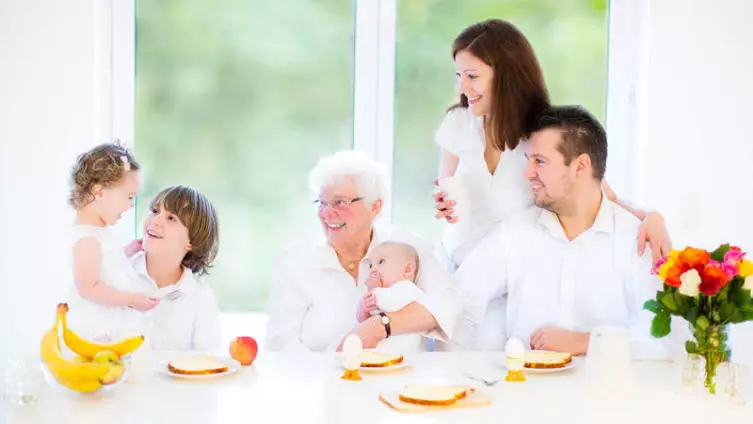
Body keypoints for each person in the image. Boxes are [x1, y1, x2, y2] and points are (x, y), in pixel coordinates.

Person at [432, 19, 671, 350]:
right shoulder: (458, 122)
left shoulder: (540, 136)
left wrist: (649, 216)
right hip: (460, 265)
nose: (462, 87)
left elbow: (596, 191)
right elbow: (444, 185)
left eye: (473, 76)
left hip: (510, 274)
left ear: (505, 75)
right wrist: (444, 200)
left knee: (493, 349)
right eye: (458, 76)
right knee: (446, 339)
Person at [454, 105, 670, 359]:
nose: (527, 174)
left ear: (580, 166)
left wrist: (585, 342)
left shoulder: (640, 239)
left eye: (540, 162)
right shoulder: (514, 233)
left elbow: (661, 341)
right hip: (522, 391)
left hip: (608, 394)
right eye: (528, 161)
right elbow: (457, 303)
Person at [266, 150, 461, 352]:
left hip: (402, 378)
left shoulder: (405, 247)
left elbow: (448, 302)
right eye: (321, 203)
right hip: (325, 381)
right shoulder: (295, 262)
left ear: (375, 207)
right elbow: (281, 347)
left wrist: (379, 326)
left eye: (340, 202)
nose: (326, 213)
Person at [66, 143, 157, 340]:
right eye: (129, 197)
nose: (131, 205)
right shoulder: (87, 240)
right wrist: (131, 300)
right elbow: (89, 287)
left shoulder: (98, 232)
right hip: (97, 336)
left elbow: (105, 265)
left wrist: (127, 251)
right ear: (99, 193)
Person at [131, 185, 222, 351]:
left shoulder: (200, 296)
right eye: (155, 211)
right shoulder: (119, 274)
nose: (155, 220)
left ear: (191, 242)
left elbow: (208, 361)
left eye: (171, 218)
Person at [358, 241, 425, 353]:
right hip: (381, 354)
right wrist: (363, 307)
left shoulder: (408, 289)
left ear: (407, 269)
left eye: (381, 262)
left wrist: (374, 290)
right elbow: (362, 320)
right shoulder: (382, 292)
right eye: (371, 265)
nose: (372, 270)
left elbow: (389, 303)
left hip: (405, 354)